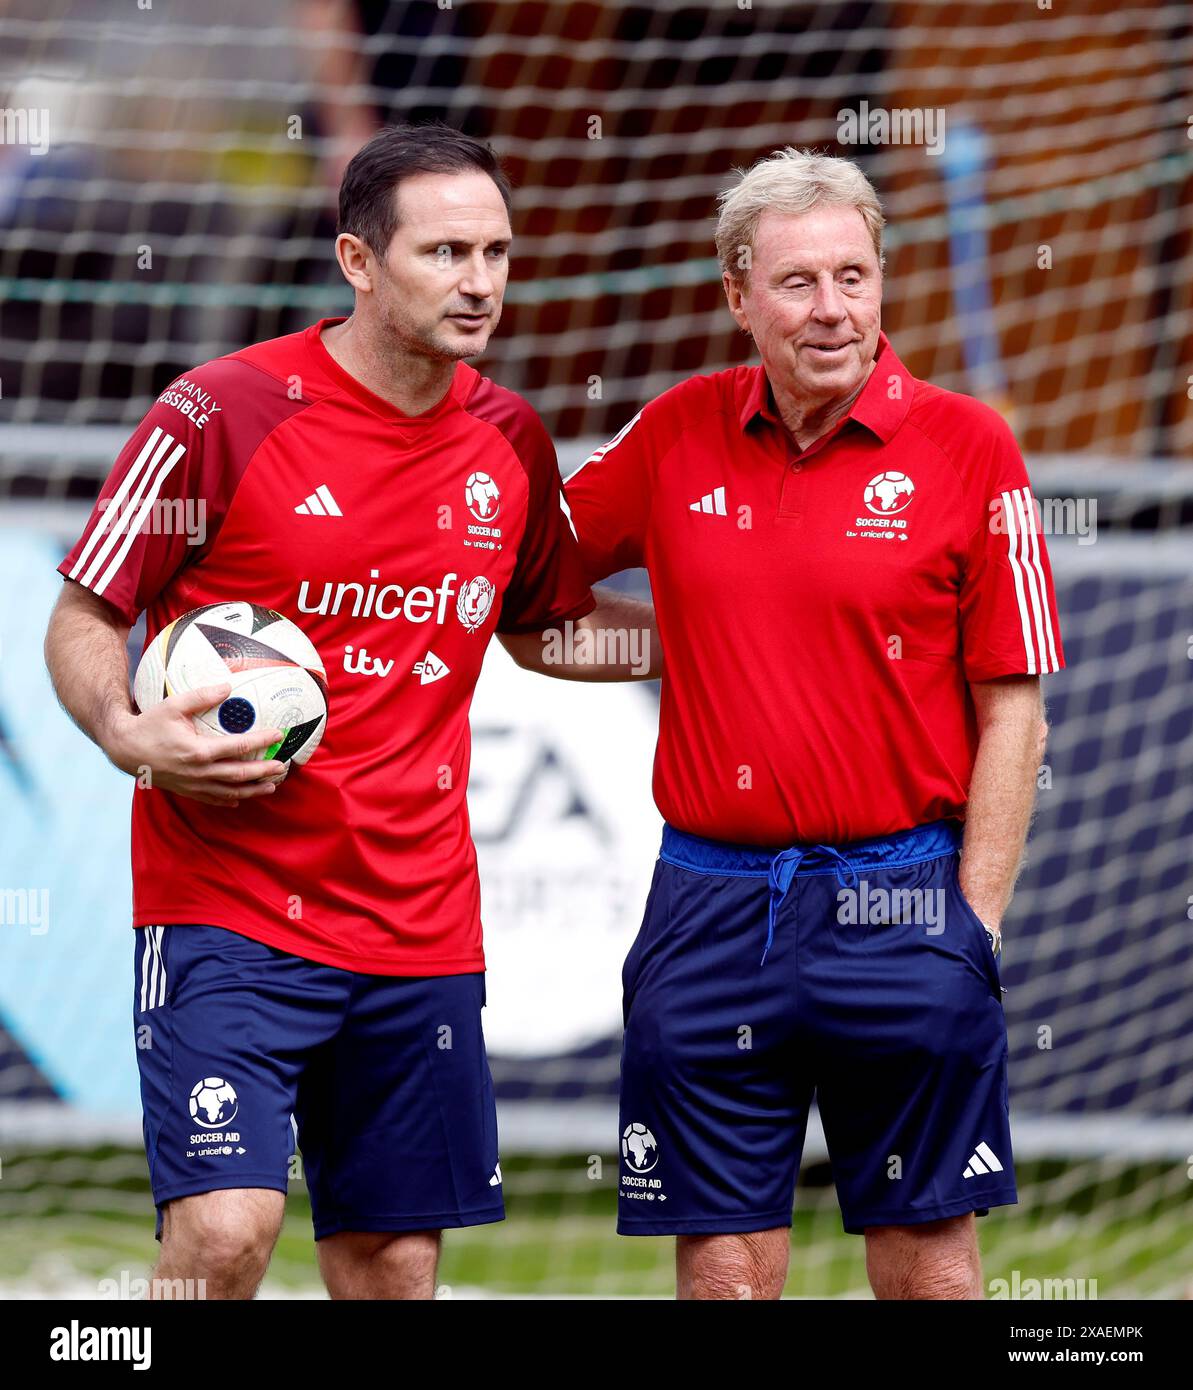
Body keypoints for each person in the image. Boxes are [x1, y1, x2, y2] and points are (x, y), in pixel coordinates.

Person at [44, 123, 655, 1300]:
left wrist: (721, 634)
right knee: (223, 1234)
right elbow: (82, 617)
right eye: (443, 252)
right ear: (357, 261)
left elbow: (546, 633)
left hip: (416, 921)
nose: (478, 281)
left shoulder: (510, 439)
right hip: (226, 909)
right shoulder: (217, 415)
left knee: (389, 1267)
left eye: (495, 252)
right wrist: (128, 733)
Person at [561, 148, 1064, 1300]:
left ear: (881, 281)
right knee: (725, 1274)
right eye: (797, 282)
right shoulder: (673, 433)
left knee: (928, 1268)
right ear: (738, 295)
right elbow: (527, 592)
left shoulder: (967, 446)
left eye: (853, 274)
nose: (831, 308)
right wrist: (675, 633)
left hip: (904, 901)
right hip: (707, 908)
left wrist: (970, 927)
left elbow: (1013, 709)